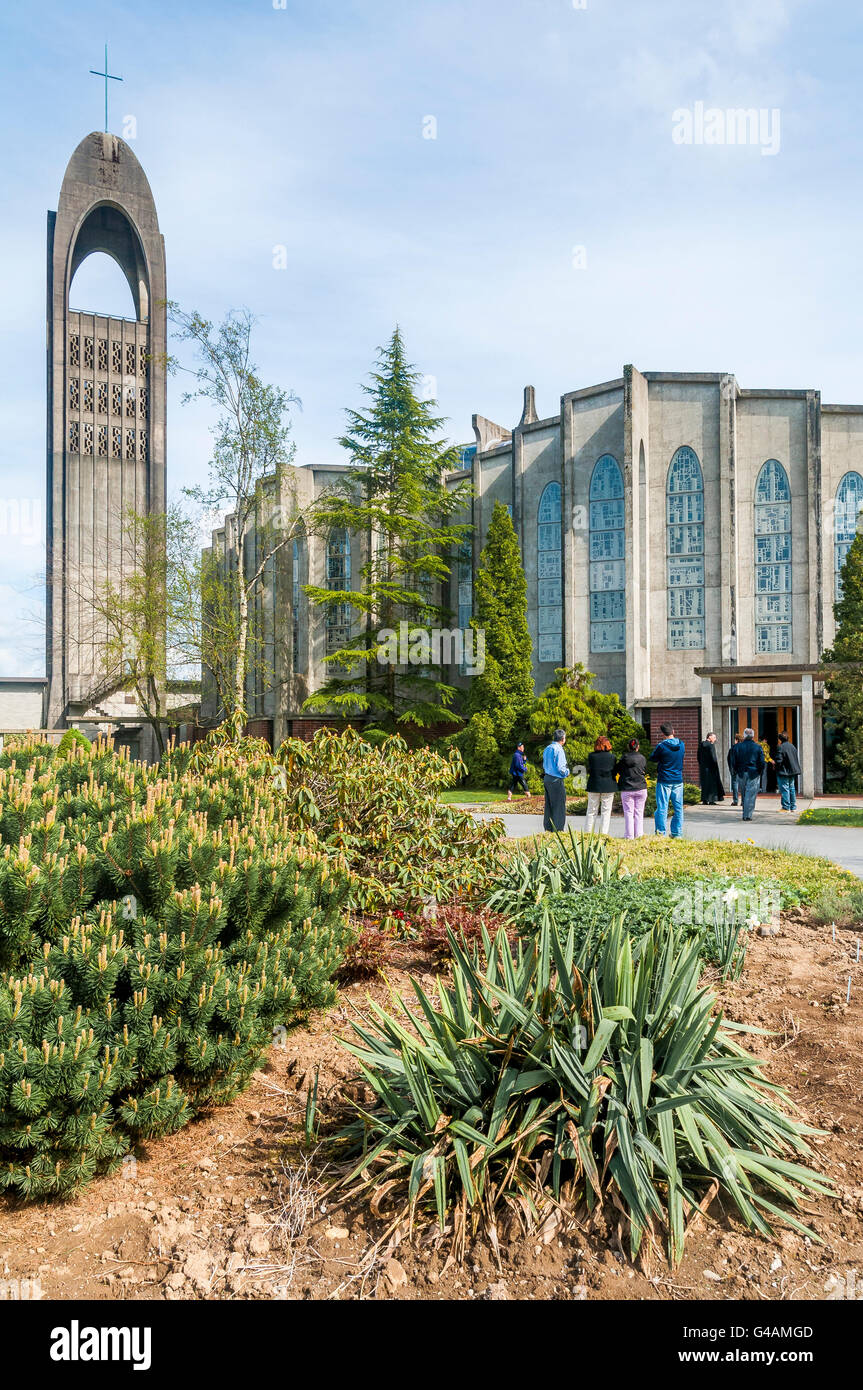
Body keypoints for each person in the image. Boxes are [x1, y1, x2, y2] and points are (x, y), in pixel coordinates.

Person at [649, 723, 685, 838]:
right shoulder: (682, 744)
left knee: (662, 808)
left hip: (664, 779)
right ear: (673, 731)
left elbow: (652, 758)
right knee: (678, 808)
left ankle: (661, 833)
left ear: (663, 734)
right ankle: (677, 833)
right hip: (678, 780)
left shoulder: (661, 746)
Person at [729, 727, 766, 821]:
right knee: (751, 794)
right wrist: (760, 771)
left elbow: (733, 761)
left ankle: (745, 814)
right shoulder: (757, 747)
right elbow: (762, 762)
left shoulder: (737, 747)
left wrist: (736, 771)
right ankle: (747, 815)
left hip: (741, 773)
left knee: (744, 794)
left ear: (744, 736)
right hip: (753, 772)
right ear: (753, 736)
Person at [615, 736, 648, 839]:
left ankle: (629, 836)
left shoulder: (623, 758)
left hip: (627, 788)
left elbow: (618, 770)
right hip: (641, 788)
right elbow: (644, 770)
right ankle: (639, 835)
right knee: (639, 812)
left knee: (628, 812)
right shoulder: (642, 758)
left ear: (628, 747)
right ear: (637, 747)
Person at [585, 735, 616, 835]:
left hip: (594, 785)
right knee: (606, 812)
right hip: (608, 786)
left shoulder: (591, 756)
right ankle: (603, 834)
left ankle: (588, 834)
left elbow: (589, 770)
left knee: (591, 811)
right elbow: (614, 771)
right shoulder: (612, 757)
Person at [542, 728, 569, 832]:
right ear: (562, 739)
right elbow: (561, 768)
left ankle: (548, 828)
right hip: (556, 780)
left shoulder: (547, 748)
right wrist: (567, 772)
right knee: (559, 806)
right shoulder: (559, 749)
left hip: (547, 778)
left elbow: (544, 764)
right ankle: (558, 829)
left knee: (549, 805)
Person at [774, 732, 801, 812]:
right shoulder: (792, 746)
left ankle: (786, 807)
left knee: (785, 789)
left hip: (784, 771)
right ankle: (793, 807)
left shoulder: (781, 747)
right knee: (791, 788)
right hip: (792, 771)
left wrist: (775, 765)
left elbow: (779, 760)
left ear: (780, 739)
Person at [697, 731, 725, 805]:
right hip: (711, 768)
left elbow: (698, 757)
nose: (715, 739)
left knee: (704, 784)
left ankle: (704, 800)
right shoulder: (711, 746)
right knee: (712, 784)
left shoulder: (701, 745)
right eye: (714, 737)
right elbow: (713, 757)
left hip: (703, 768)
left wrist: (702, 765)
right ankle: (711, 800)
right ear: (709, 737)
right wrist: (715, 766)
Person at [727, 733, 742, 806]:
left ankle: (735, 801)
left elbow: (730, 760)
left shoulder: (733, 748)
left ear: (736, 740)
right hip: (743, 770)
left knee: (735, 785)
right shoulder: (744, 747)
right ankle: (743, 802)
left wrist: (731, 769)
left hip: (735, 770)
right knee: (743, 786)